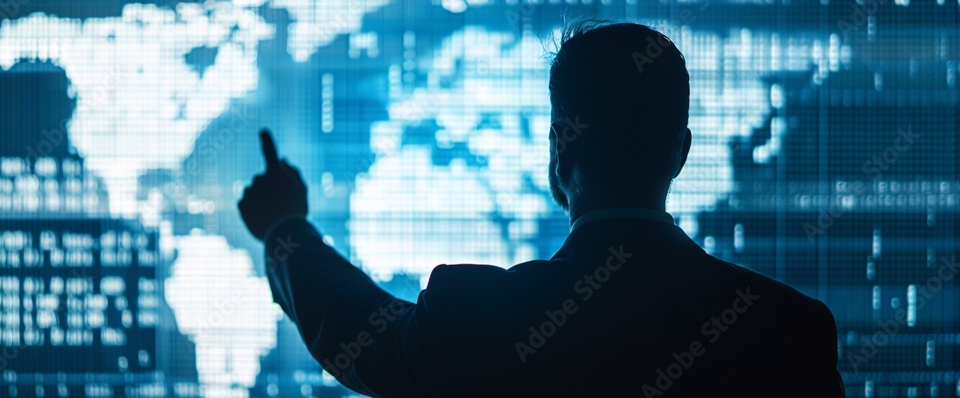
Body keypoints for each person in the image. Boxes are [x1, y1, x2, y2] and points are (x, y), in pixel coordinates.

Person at [238, 20, 845, 397]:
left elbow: (354, 327)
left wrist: (285, 227)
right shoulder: (789, 330)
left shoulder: (475, 318)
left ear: (562, 146)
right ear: (680, 153)